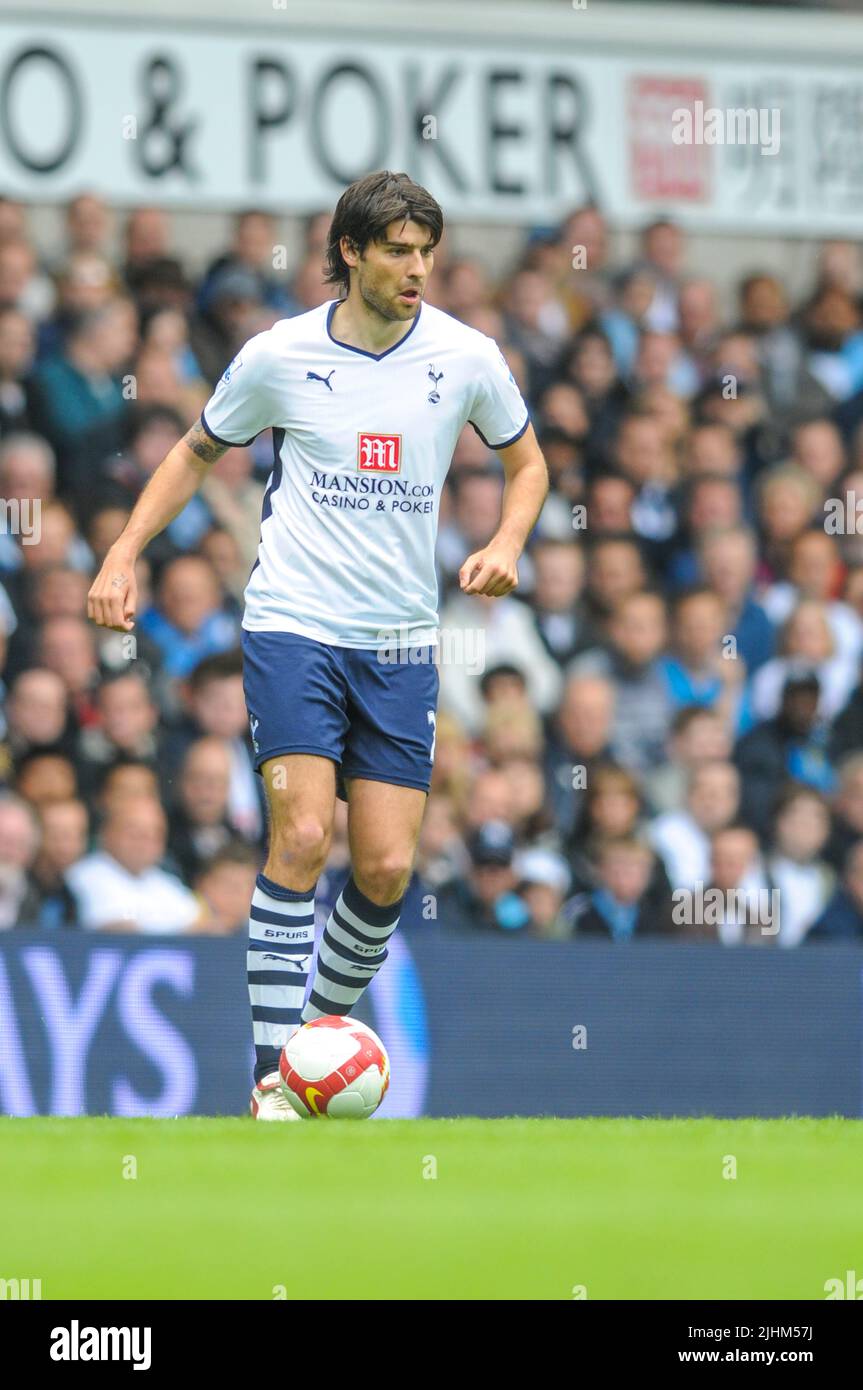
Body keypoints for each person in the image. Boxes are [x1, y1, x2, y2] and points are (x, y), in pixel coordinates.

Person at [87, 170, 548, 1120]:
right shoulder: (279, 354)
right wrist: (124, 552)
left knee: (384, 870)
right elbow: (194, 451)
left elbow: (528, 462)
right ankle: (272, 1078)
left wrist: (506, 542)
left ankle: (312, 1044)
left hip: (401, 643)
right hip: (294, 624)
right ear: (350, 251)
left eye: (426, 252)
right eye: (398, 251)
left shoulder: (466, 357)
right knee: (301, 836)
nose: (417, 269)